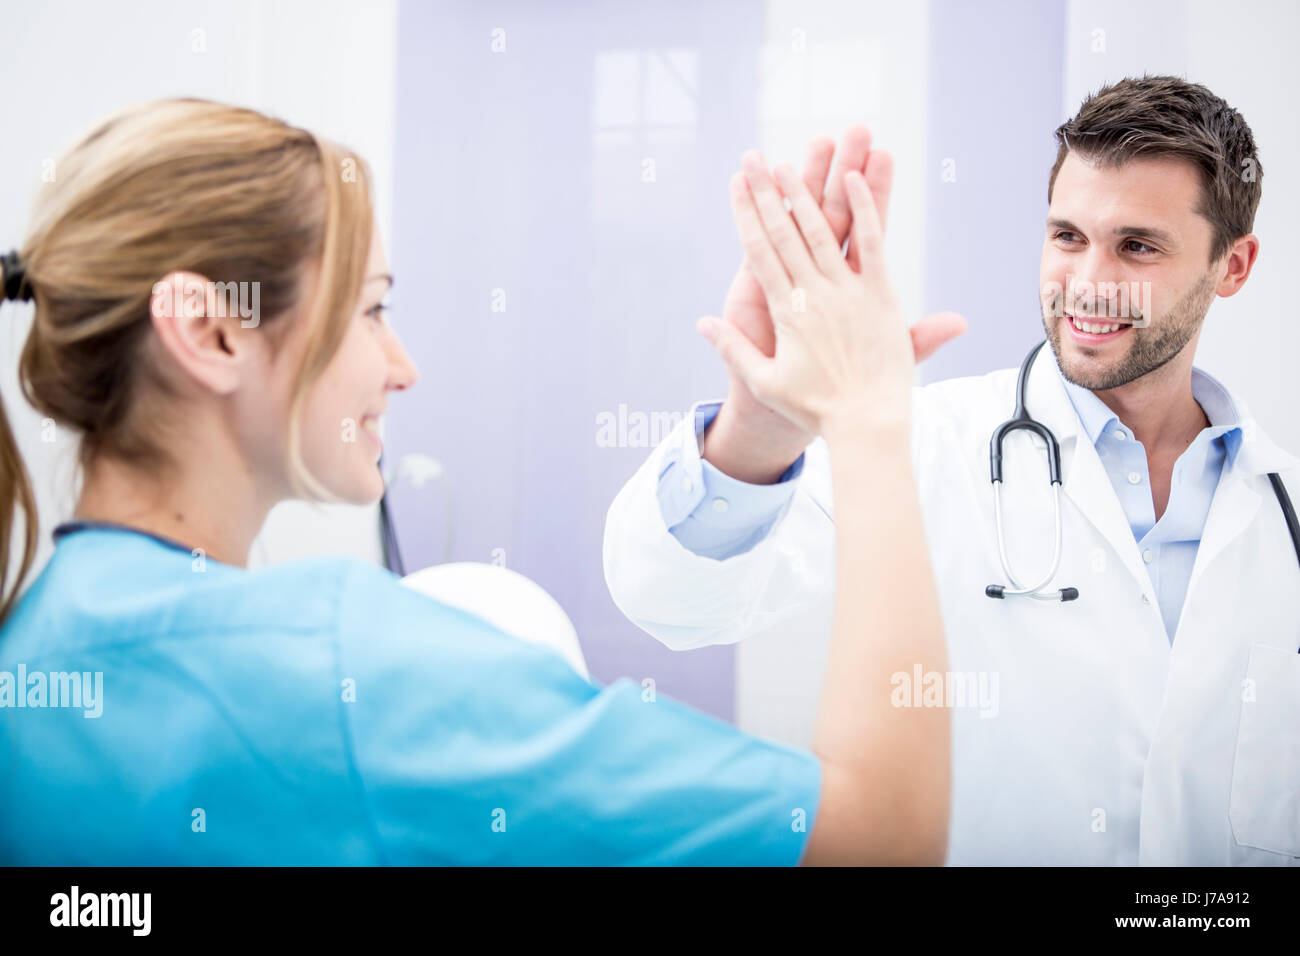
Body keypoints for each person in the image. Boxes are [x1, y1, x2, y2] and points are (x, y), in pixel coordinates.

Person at [0, 97, 951, 865]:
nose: (402, 366)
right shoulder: (343, 668)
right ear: (212, 334)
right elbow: (879, 838)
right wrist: (865, 417)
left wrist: (765, 428)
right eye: (371, 311)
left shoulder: (28, 652)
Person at [604, 75, 1300, 865]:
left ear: (1232, 266)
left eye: (1136, 246)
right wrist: (756, 434)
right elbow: (671, 601)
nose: (1087, 282)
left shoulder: (1282, 514)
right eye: (1068, 236)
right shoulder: (916, 446)